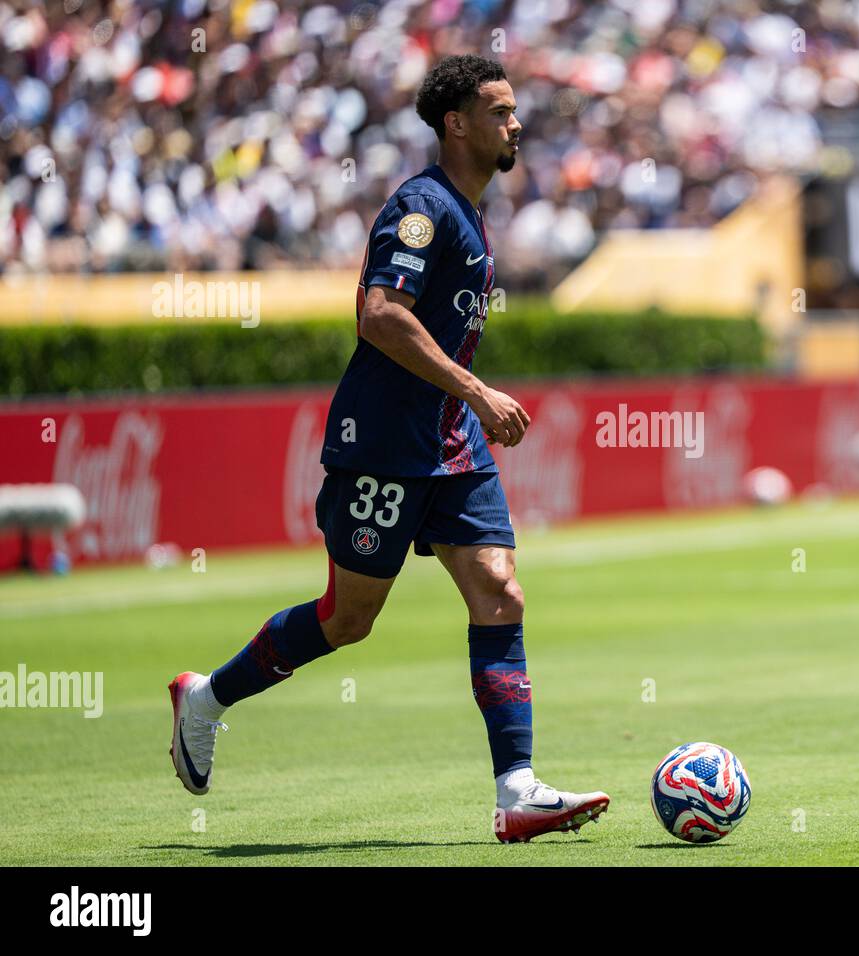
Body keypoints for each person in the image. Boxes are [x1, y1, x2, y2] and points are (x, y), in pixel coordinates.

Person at [167, 55, 609, 844]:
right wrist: (475, 388)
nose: (516, 124)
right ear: (457, 123)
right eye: (500, 111)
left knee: (500, 592)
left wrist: (464, 403)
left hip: (451, 443)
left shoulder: (471, 212)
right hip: (382, 445)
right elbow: (379, 315)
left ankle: (517, 790)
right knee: (348, 619)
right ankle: (206, 699)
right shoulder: (421, 207)